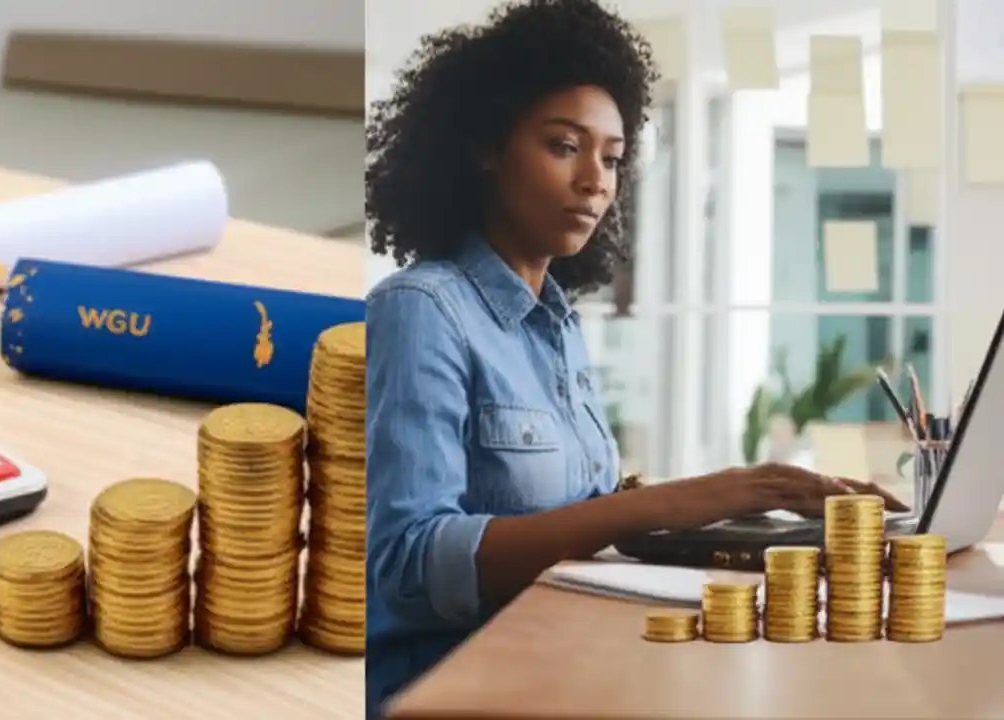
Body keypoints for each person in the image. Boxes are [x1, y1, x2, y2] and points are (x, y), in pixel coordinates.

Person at [362, 1, 906, 717]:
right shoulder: (421, 309)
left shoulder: (555, 325)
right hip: (455, 690)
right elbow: (407, 565)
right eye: (564, 146)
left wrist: (755, 509)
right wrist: (701, 494)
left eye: (613, 158)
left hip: (567, 665)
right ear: (487, 146)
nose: (596, 180)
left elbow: (579, 518)